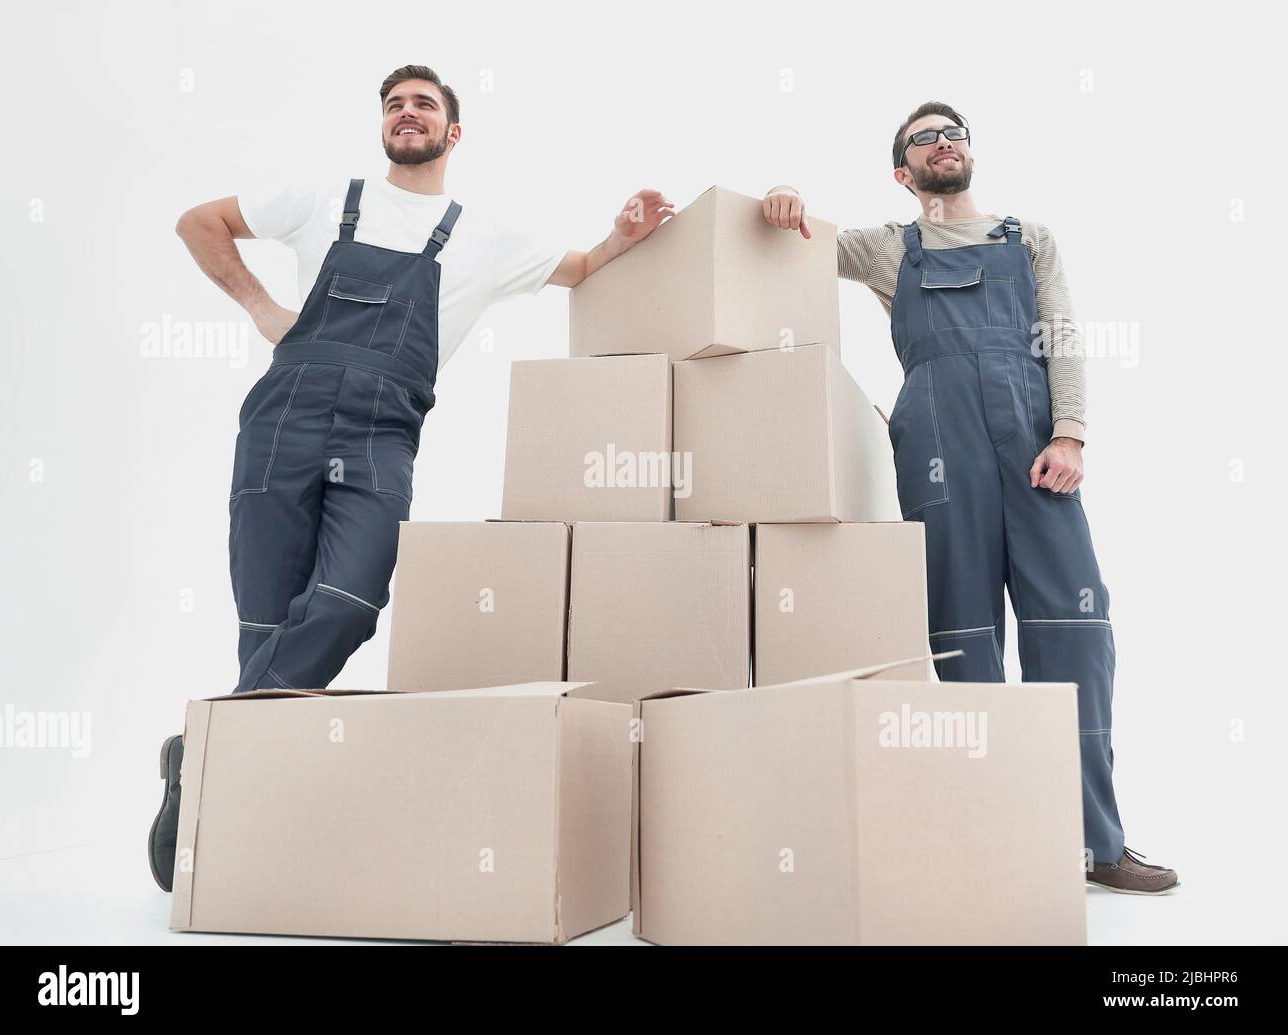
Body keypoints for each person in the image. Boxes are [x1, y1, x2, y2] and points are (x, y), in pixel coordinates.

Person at [148, 64, 672, 891]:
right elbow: (197, 220)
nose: (407, 114)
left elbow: (580, 266)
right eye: (394, 105)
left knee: (351, 601)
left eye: (424, 104)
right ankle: (230, 835)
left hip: (383, 433)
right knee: (265, 623)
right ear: (383, 126)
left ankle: (206, 747)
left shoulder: (484, 238)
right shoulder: (323, 198)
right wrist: (261, 308)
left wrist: (624, 235)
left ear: (452, 133)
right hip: (285, 414)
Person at [762, 101, 1177, 895]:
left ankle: (1096, 841)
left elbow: (1060, 334)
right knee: (963, 637)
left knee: (1076, 629)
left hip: (1033, 449)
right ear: (903, 170)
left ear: (969, 153)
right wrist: (782, 193)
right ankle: (997, 837)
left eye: (954, 132)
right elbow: (793, 238)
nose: (944, 142)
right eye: (926, 137)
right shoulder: (889, 247)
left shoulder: (1031, 240)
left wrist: (1072, 433)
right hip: (939, 451)